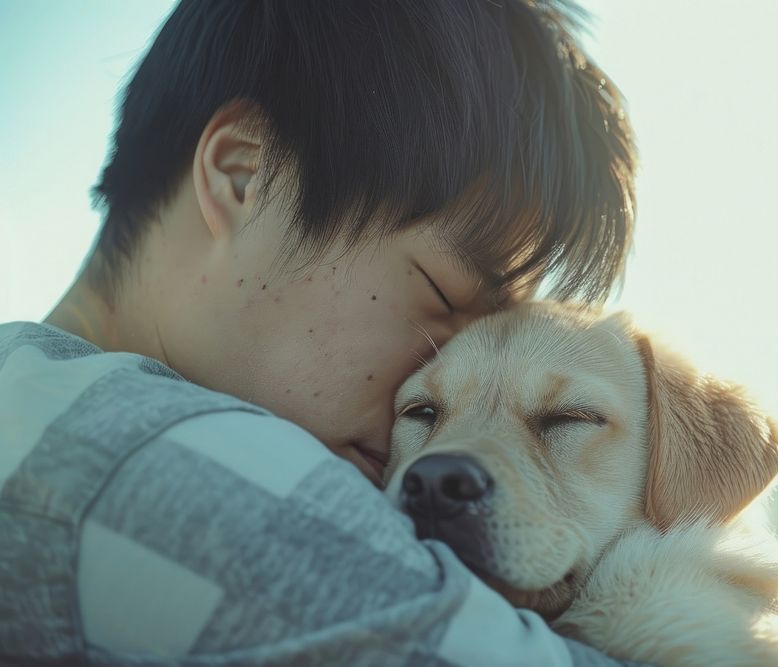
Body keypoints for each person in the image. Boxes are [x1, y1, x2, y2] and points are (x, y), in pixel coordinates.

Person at [0, 1, 637, 664]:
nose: (445, 387)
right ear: (245, 173)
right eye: (445, 294)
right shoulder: (155, 456)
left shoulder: (33, 392)